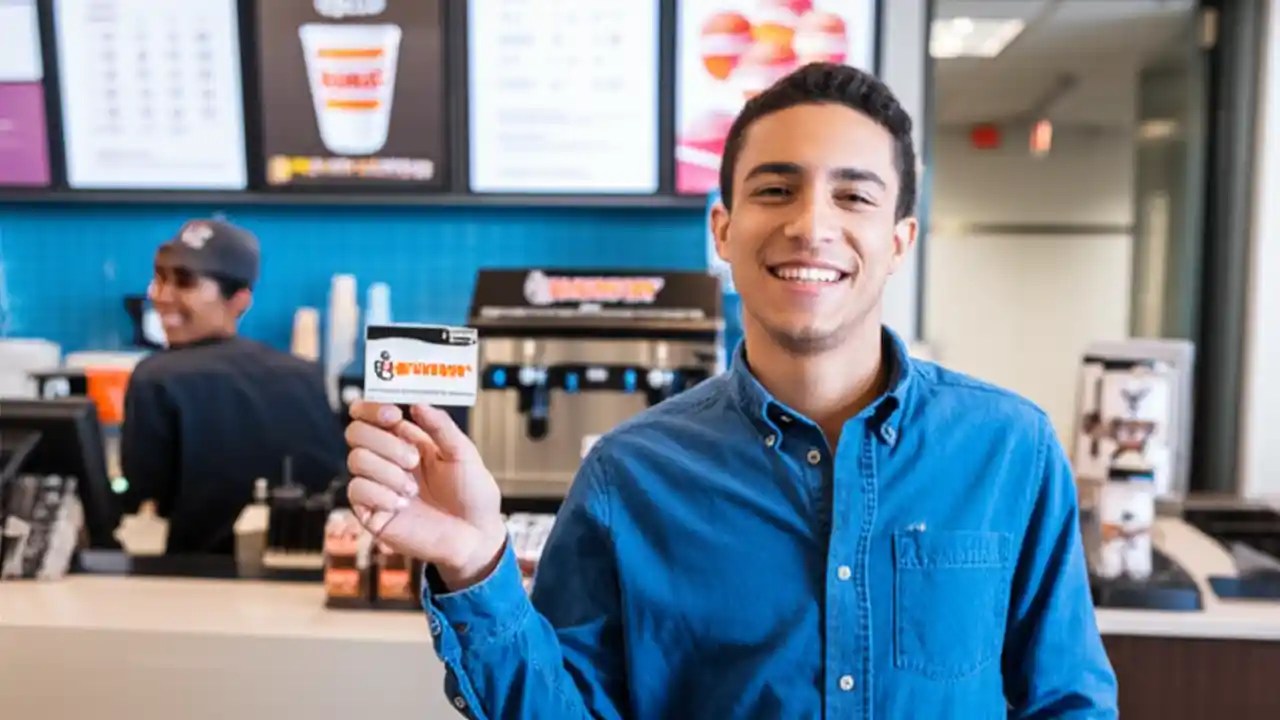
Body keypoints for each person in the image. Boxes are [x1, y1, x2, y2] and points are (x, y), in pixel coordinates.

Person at [345, 63, 1118, 718]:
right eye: (777, 190)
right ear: (722, 230)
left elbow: (1068, 703)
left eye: (854, 197)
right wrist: (476, 563)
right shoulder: (629, 477)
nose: (812, 225)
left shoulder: (1010, 452)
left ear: (899, 240)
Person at [121, 219, 346, 555]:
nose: (161, 295)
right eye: (160, 278)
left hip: (193, 578)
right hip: (304, 573)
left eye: (184, 281)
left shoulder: (155, 377)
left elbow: (144, 489)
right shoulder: (306, 374)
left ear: (239, 299)